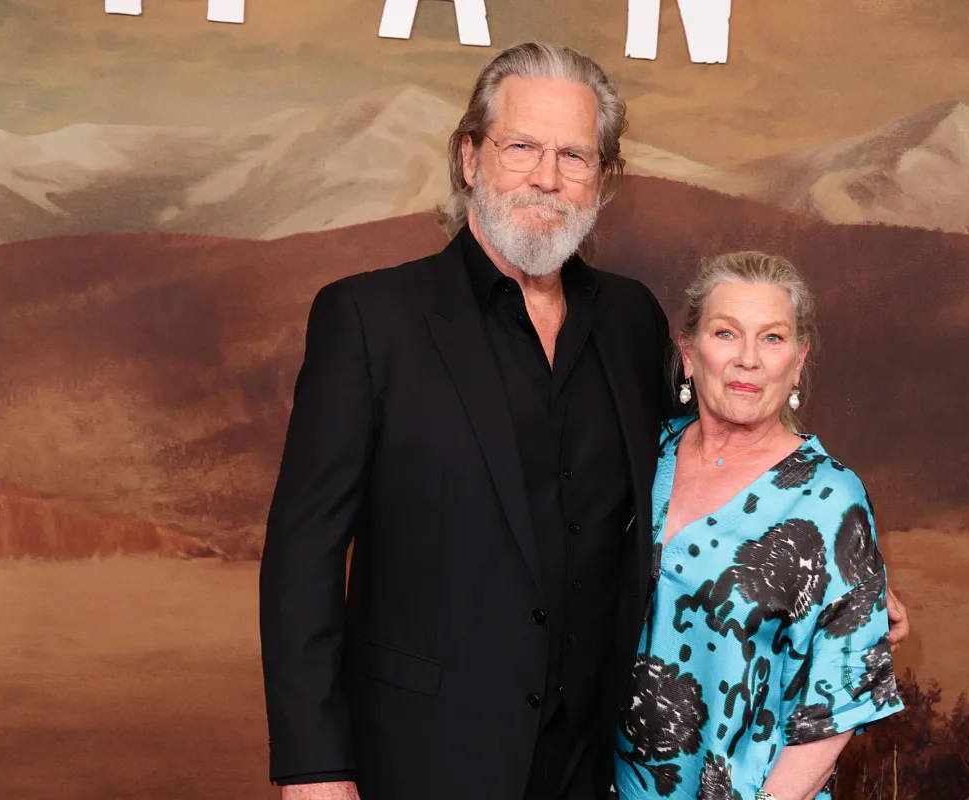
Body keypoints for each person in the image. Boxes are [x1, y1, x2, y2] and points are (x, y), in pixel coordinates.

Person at [259, 42, 911, 800]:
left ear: (603, 181)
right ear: (470, 157)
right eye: (522, 147)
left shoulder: (631, 321)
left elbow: (715, 464)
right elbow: (300, 563)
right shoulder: (370, 321)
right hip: (422, 759)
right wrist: (315, 774)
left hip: (597, 768)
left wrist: (846, 591)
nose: (547, 176)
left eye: (575, 156)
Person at [613, 251, 903, 800]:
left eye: (771, 338)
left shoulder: (830, 498)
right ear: (688, 352)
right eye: (726, 333)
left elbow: (836, 702)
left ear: (797, 362)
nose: (747, 359)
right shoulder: (642, 454)